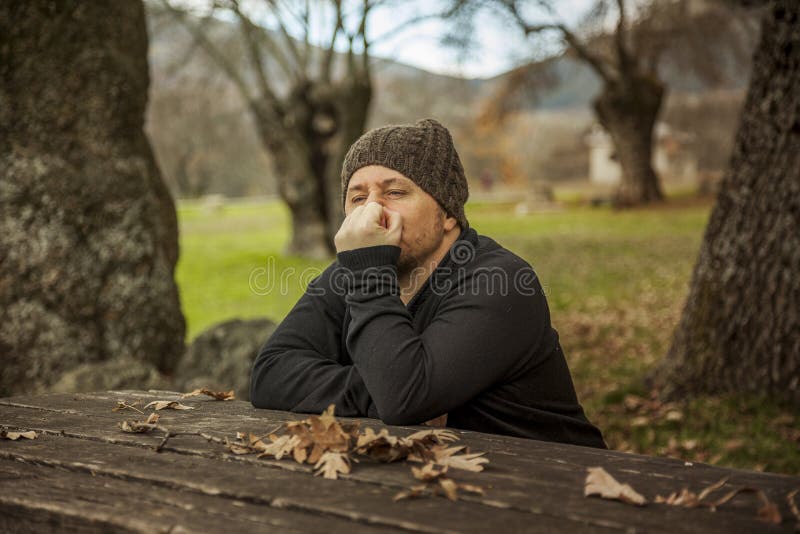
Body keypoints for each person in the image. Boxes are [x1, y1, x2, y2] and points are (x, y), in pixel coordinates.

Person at [251, 118, 605, 448]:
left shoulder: (501, 281)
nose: (372, 212)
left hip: (560, 484)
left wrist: (370, 274)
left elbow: (404, 398)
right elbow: (270, 374)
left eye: (395, 193)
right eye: (358, 198)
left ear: (448, 213)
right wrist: (376, 388)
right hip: (444, 488)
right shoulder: (353, 273)